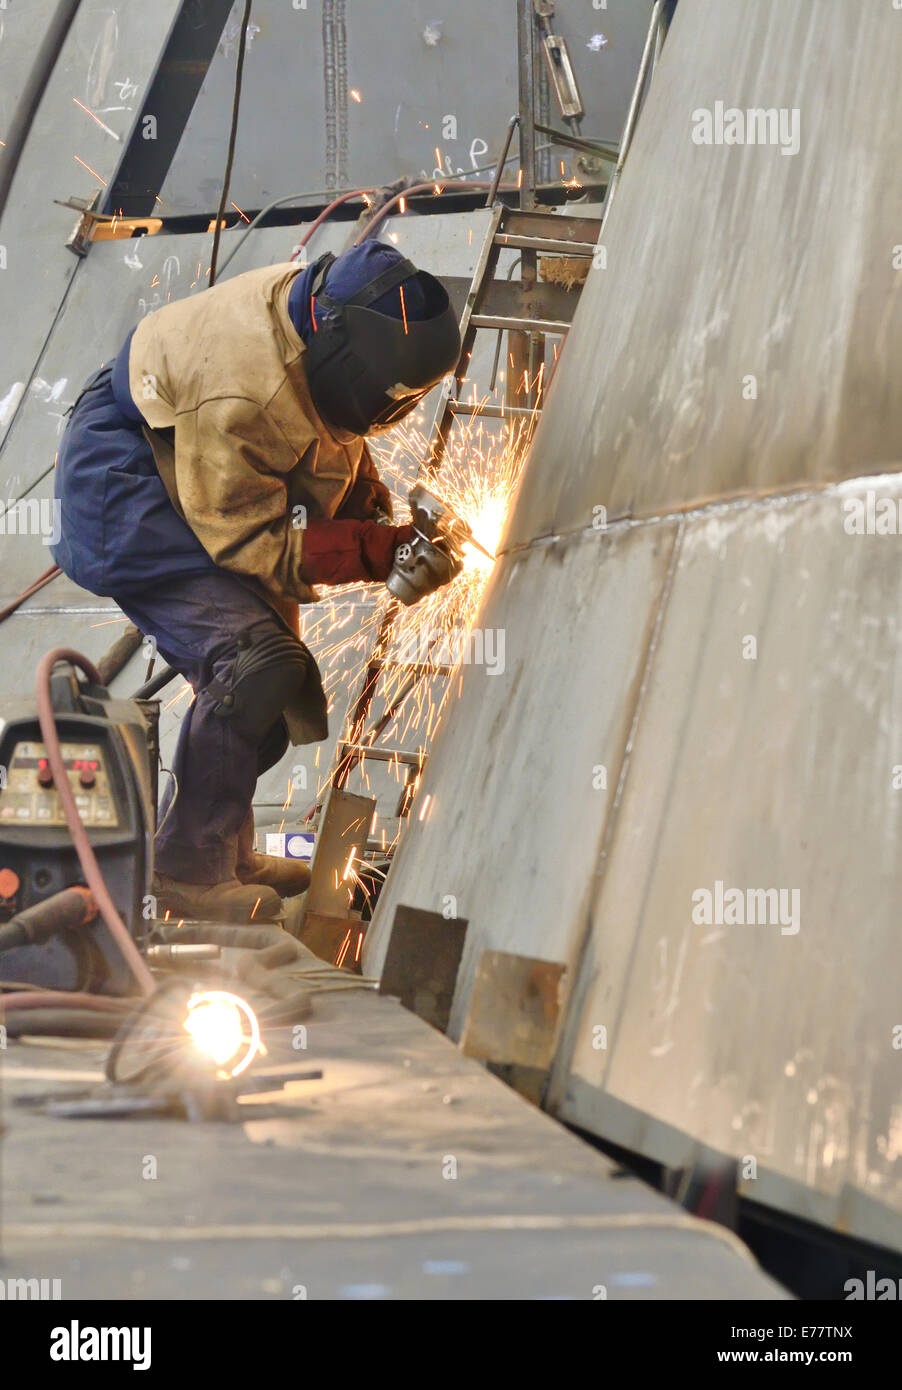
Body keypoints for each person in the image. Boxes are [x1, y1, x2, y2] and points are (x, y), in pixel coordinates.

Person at [51, 241, 461, 922]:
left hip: (195, 467)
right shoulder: (245, 390)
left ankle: (226, 850)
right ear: (347, 358)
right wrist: (371, 550)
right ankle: (186, 872)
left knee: (275, 690)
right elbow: (251, 537)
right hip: (126, 482)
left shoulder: (324, 330)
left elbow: (322, 442)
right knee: (254, 664)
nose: (399, 409)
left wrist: (372, 514)